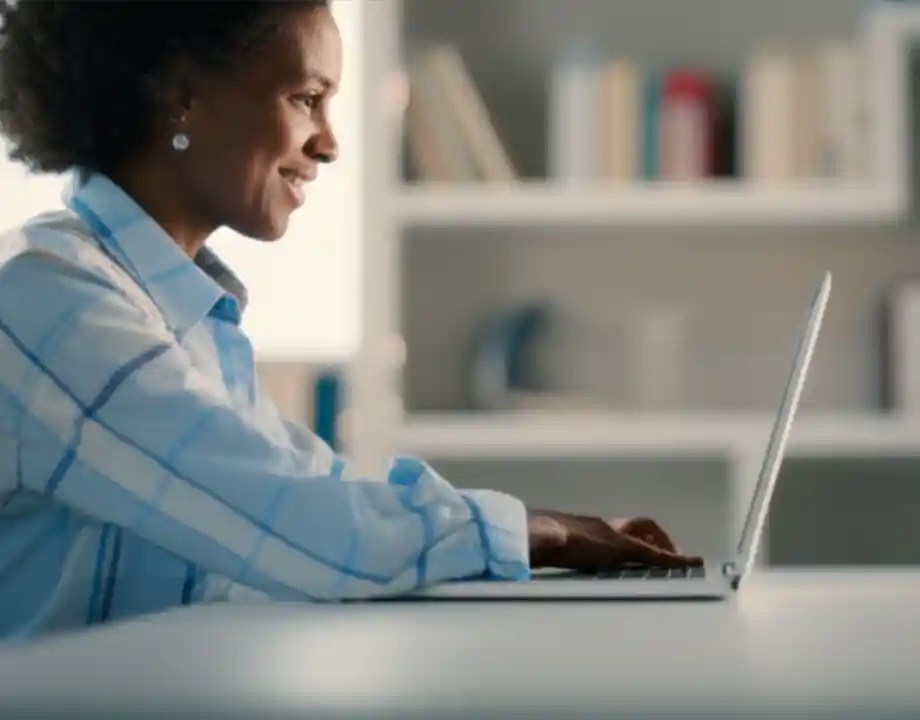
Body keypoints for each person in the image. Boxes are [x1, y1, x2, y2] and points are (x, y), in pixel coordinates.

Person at [0, 0, 699, 639]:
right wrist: (545, 534)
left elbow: (323, 490)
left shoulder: (178, 314)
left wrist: (557, 534)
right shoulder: (50, 301)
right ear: (185, 96)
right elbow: (311, 530)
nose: (329, 144)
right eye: (306, 100)